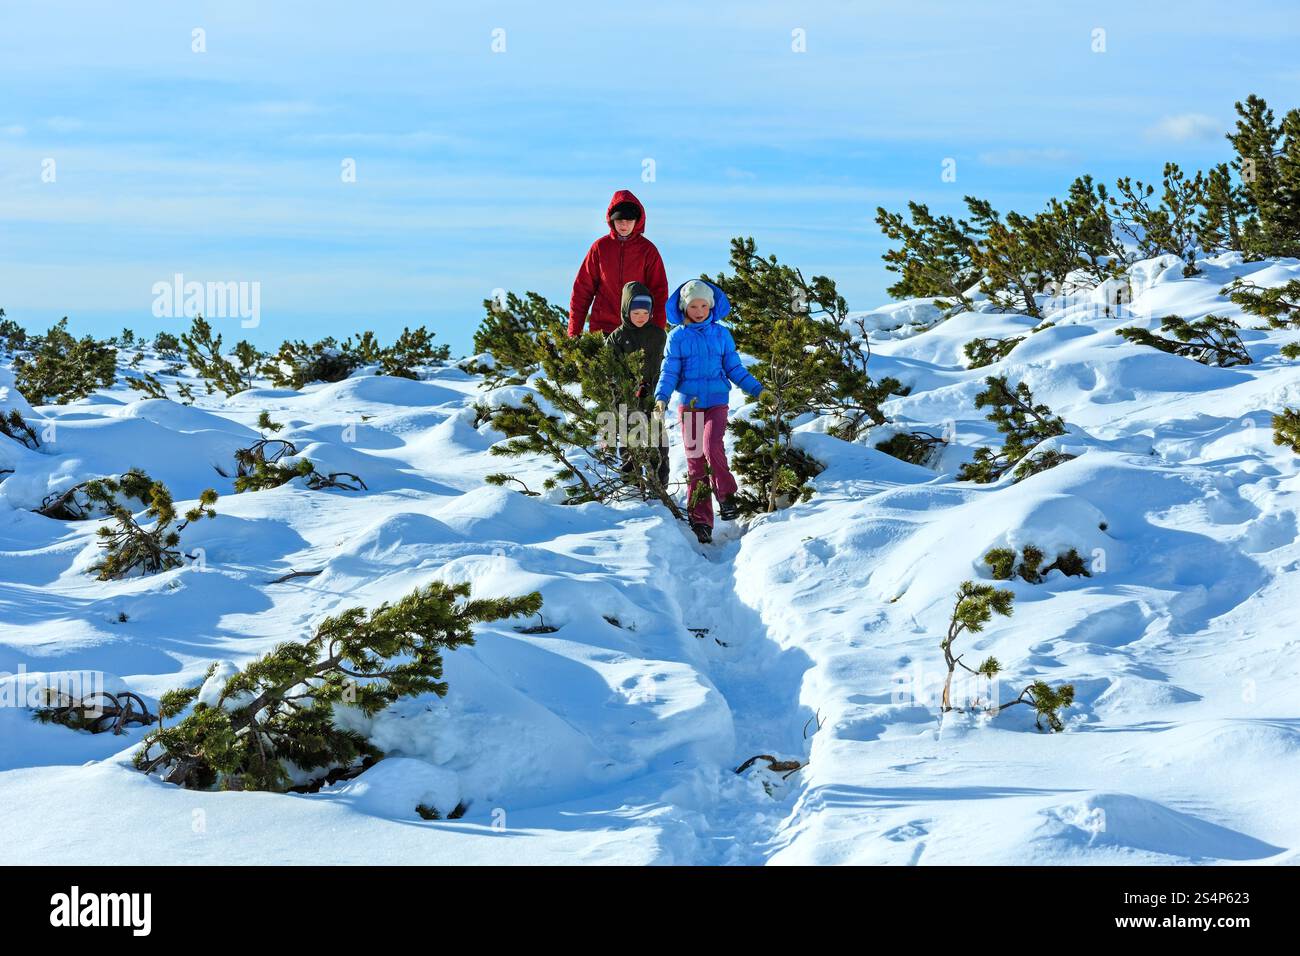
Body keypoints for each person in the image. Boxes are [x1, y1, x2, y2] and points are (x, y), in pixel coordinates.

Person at [653, 278, 764, 544]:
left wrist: (760, 390)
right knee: (695, 460)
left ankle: (726, 496)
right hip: (689, 404)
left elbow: (735, 369)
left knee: (711, 445)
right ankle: (701, 520)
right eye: (694, 306)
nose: (700, 310)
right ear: (684, 308)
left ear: (711, 306)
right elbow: (669, 371)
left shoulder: (721, 334)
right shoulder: (677, 337)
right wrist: (661, 397)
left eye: (704, 305)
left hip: (716, 401)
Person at [568, 190, 669, 337]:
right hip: (602, 330)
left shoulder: (648, 251)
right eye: (619, 220)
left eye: (629, 220)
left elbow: (659, 293)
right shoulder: (600, 248)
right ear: (611, 220)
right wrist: (574, 332)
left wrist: (657, 334)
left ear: (637, 221)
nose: (624, 224)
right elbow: (582, 291)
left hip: (637, 331)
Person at [606, 281, 671, 487]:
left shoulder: (658, 335)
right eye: (636, 313)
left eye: (645, 312)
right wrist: (625, 389)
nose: (641, 317)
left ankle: (659, 488)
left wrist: (656, 390)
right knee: (630, 446)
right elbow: (611, 369)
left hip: (653, 399)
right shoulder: (617, 337)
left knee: (658, 445)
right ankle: (632, 488)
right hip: (627, 401)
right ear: (626, 310)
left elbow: (664, 364)